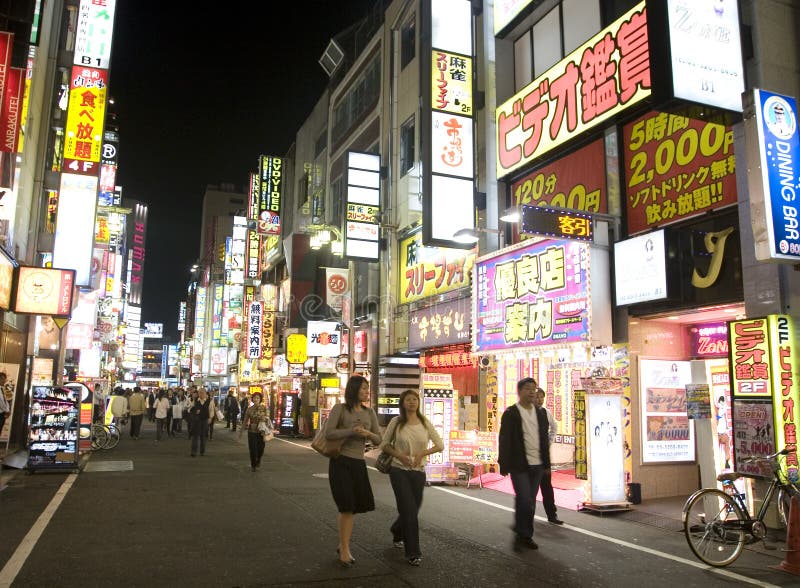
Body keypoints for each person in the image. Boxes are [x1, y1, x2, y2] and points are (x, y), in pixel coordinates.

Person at [380, 389, 444, 566]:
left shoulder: (424, 422)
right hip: (398, 470)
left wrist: (423, 453)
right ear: (402, 403)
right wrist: (399, 455)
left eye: (414, 399)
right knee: (409, 510)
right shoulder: (396, 422)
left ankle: (397, 530)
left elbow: (440, 445)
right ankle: (413, 553)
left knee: (412, 510)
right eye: (408, 399)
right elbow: (384, 444)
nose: (412, 402)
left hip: (418, 472)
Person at [325, 375, 382, 568]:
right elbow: (329, 433)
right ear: (354, 390)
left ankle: (343, 545)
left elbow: (379, 440)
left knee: (353, 507)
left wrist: (367, 434)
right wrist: (351, 431)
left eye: (368, 389)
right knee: (346, 506)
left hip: (358, 463)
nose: (367, 392)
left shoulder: (370, 412)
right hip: (340, 461)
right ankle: (345, 548)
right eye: (364, 389)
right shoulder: (339, 409)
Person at [498, 377, 551, 552]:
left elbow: (543, 439)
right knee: (524, 498)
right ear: (519, 391)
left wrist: (547, 463)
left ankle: (523, 530)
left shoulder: (540, 413)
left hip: (537, 464)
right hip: (519, 464)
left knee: (530, 501)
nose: (531, 392)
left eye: (533, 389)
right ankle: (524, 534)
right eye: (528, 388)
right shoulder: (511, 413)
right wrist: (503, 464)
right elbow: (504, 439)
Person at [534, 387, 563, 525]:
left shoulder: (546, 412)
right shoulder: (525, 413)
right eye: (537, 397)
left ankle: (552, 515)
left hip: (543, 456)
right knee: (531, 489)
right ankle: (527, 516)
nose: (539, 400)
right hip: (530, 456)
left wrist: (549, 441)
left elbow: (554, 426)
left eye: (541, 397)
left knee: (547, 487)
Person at [240, 391, 270, 471]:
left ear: (260, 399)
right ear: (252, 399)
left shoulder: (264, 408)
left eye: (258, 398)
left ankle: (259, 459)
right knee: (253, 449)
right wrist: (241, 430)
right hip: (252, 432)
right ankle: (253, 465)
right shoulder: (249, 409)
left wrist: (264, 419)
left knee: (261, 448)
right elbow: (245, 420)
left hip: (261, 432)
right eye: (254, 398)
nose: (256, 399)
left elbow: (267, 418)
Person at [189, 387, 215, 457]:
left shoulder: (210, 401)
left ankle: (202, 451)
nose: (201, 394)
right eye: (199, 393)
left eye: (202, 393)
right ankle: (193, 452)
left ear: (205, 393)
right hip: (197, 420)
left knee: (203, 437)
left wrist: (210, 418)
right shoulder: (195, 401)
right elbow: (190, 409)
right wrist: (195, 411)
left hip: (205, 420)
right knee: (195, 436)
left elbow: (211, 410)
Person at [0, 372, 10, 438]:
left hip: (2, 414)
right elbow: (1, 402)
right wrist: (6, 410)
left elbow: (5, 400)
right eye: (3, 379)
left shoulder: (1, 389)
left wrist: (8, 409)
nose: (5, 381)